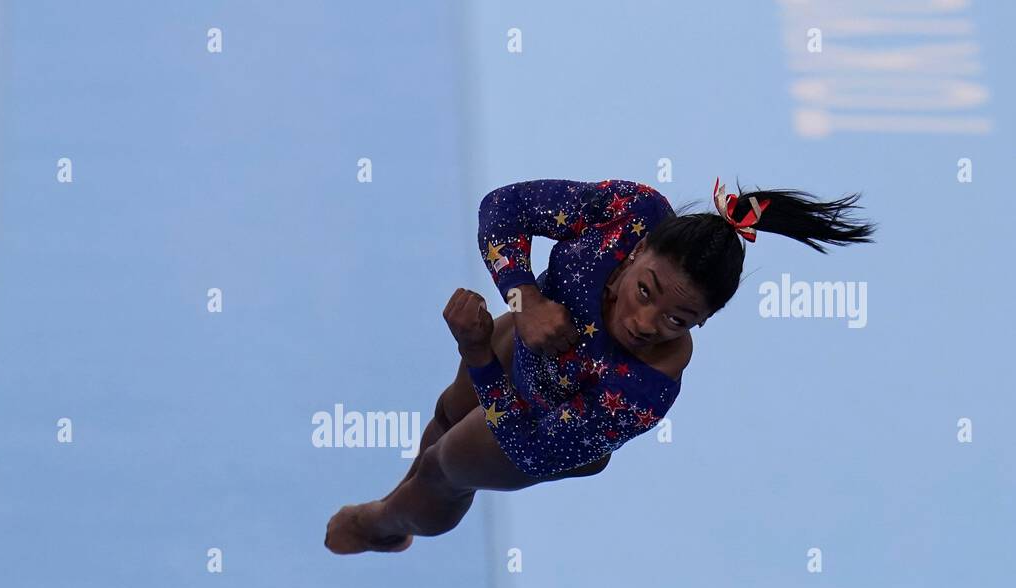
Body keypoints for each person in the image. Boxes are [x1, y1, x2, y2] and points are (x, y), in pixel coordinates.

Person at [325, 177, 876, 555]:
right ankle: (400, 502)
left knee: (443, 469)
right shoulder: (628, 212)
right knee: (446, 414)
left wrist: (477, 355)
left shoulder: (643, 389)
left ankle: (382, 524)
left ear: (702, 322)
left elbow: (529, 445)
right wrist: (524, 299)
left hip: (546, 426)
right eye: (645, 290)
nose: (645, 321)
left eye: (677, 320)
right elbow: (502, 209)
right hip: (522, 341)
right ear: (637, 252)